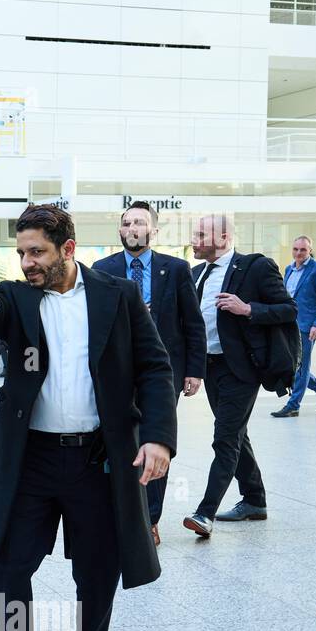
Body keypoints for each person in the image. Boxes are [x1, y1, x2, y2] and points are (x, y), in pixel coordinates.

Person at [0, 204, 176, 631]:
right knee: (8, 562)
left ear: (68, 250)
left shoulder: (117, 296)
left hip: (98, 458)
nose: (28, 262)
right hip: (30, 457)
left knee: (97, 567)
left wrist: (158, 437)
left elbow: (155, 367)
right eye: (21, 252)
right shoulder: (17, 296)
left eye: (37, 252)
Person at [92, 201, 206, 545]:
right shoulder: (102, 268)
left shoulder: (176, 268)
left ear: (153, 231)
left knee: (156, 441)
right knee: (118, 441)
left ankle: (150, 518)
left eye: (139, 223)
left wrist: (194, 370)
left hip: (163, 372)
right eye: (126, 223)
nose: (132, 229)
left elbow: (193, 322)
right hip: (116, 372)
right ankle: (119, 510)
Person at [182, 215, 297, 538]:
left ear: (223, 237)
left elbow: (289, 309)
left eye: (201, 234)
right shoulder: (195, 274)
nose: (194, 239)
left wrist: (248, 309)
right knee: (236, 434)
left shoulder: (255, 267)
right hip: (211, 367)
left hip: (242, 369)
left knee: (225, 438)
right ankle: (255, 500)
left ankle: (205, 514)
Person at [272, 235, 316, 417]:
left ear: (310, 250)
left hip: (307, 326)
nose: (298, 253)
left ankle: (293, 405)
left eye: (303, 250)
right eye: (296, 249)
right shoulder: (289, 269)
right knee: (293, 365)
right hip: (288, 325)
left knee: (302, 365)